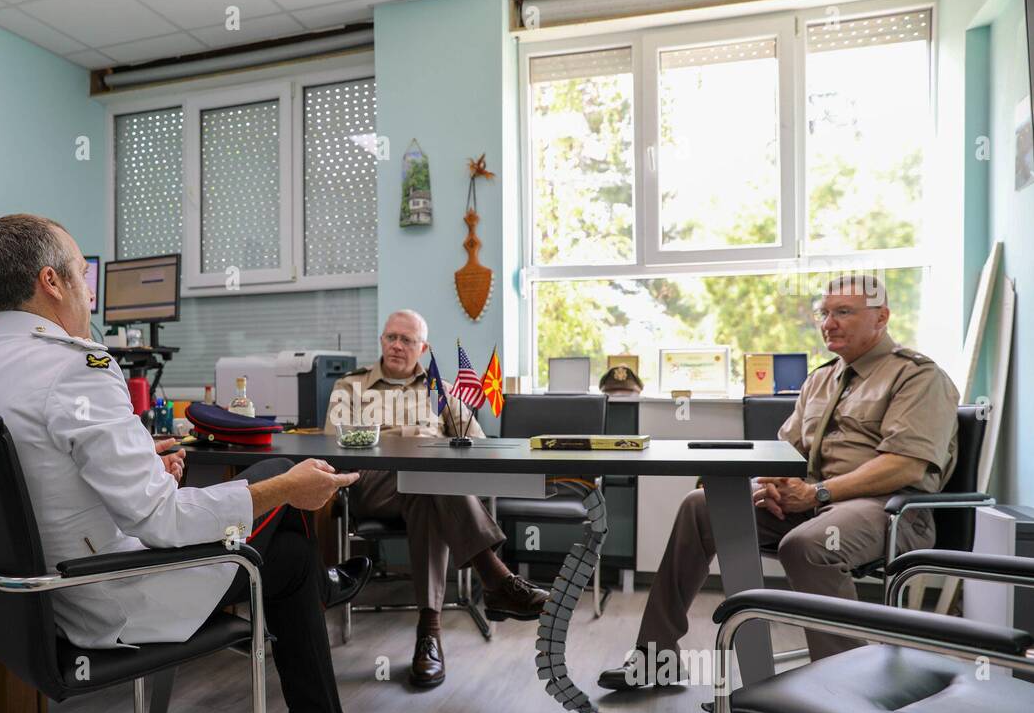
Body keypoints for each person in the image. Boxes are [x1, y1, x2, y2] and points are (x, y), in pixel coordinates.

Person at [0, 213, 379, 713]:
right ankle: (322, 692)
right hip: (109, 601)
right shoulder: (78, 369)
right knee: (283, 501)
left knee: (283, 534)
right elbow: (162, 522)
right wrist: (291, 489)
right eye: (80, 273)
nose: (88, 292)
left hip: (32, 599)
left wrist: (140, 465)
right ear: (52, 282)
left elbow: (43, 476)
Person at [599, 273, 961, 689]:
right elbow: (786, 451)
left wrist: (817, 492)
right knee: (702, 506)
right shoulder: (821, 378)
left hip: (888, 509)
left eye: (843, 312)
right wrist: (768, 483)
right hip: (815, 504)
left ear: (882, 317)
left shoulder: (916, 376)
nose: (829, 323)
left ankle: (854, 685)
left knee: (806, 545)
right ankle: (656, 657)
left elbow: (905, 465)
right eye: (824, 313)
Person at [327, 309, 549, 689]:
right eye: (391, 337)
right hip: (373, 486)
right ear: (382, 340)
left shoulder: (441, 389)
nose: (397, 346)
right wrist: (417, 440)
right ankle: (497, 580)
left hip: (425, 489)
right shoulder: (351, 386)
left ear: (423, 347)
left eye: (407, 340)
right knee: (429, 476)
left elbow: (478, 444)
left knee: (427, 486)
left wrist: (439, 449)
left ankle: (428, 636)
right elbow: (335, 444)